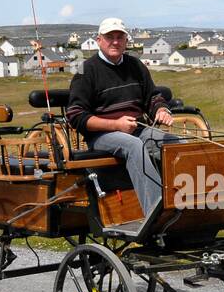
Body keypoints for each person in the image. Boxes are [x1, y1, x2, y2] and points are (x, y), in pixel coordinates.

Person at [66, 17, 176, 218]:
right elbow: (75, 115)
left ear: (126, 41)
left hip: (138, 128)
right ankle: (156, 217)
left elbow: (152, 97)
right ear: (99, 40)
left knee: (176, 145)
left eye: (119, 37)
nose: (115, 42)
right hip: (101, 135)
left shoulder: (136, 65)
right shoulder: (86, 71)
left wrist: (161, 110)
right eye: (110, 37)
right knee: (134, 146)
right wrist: (115, 124)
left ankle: (186, 208)